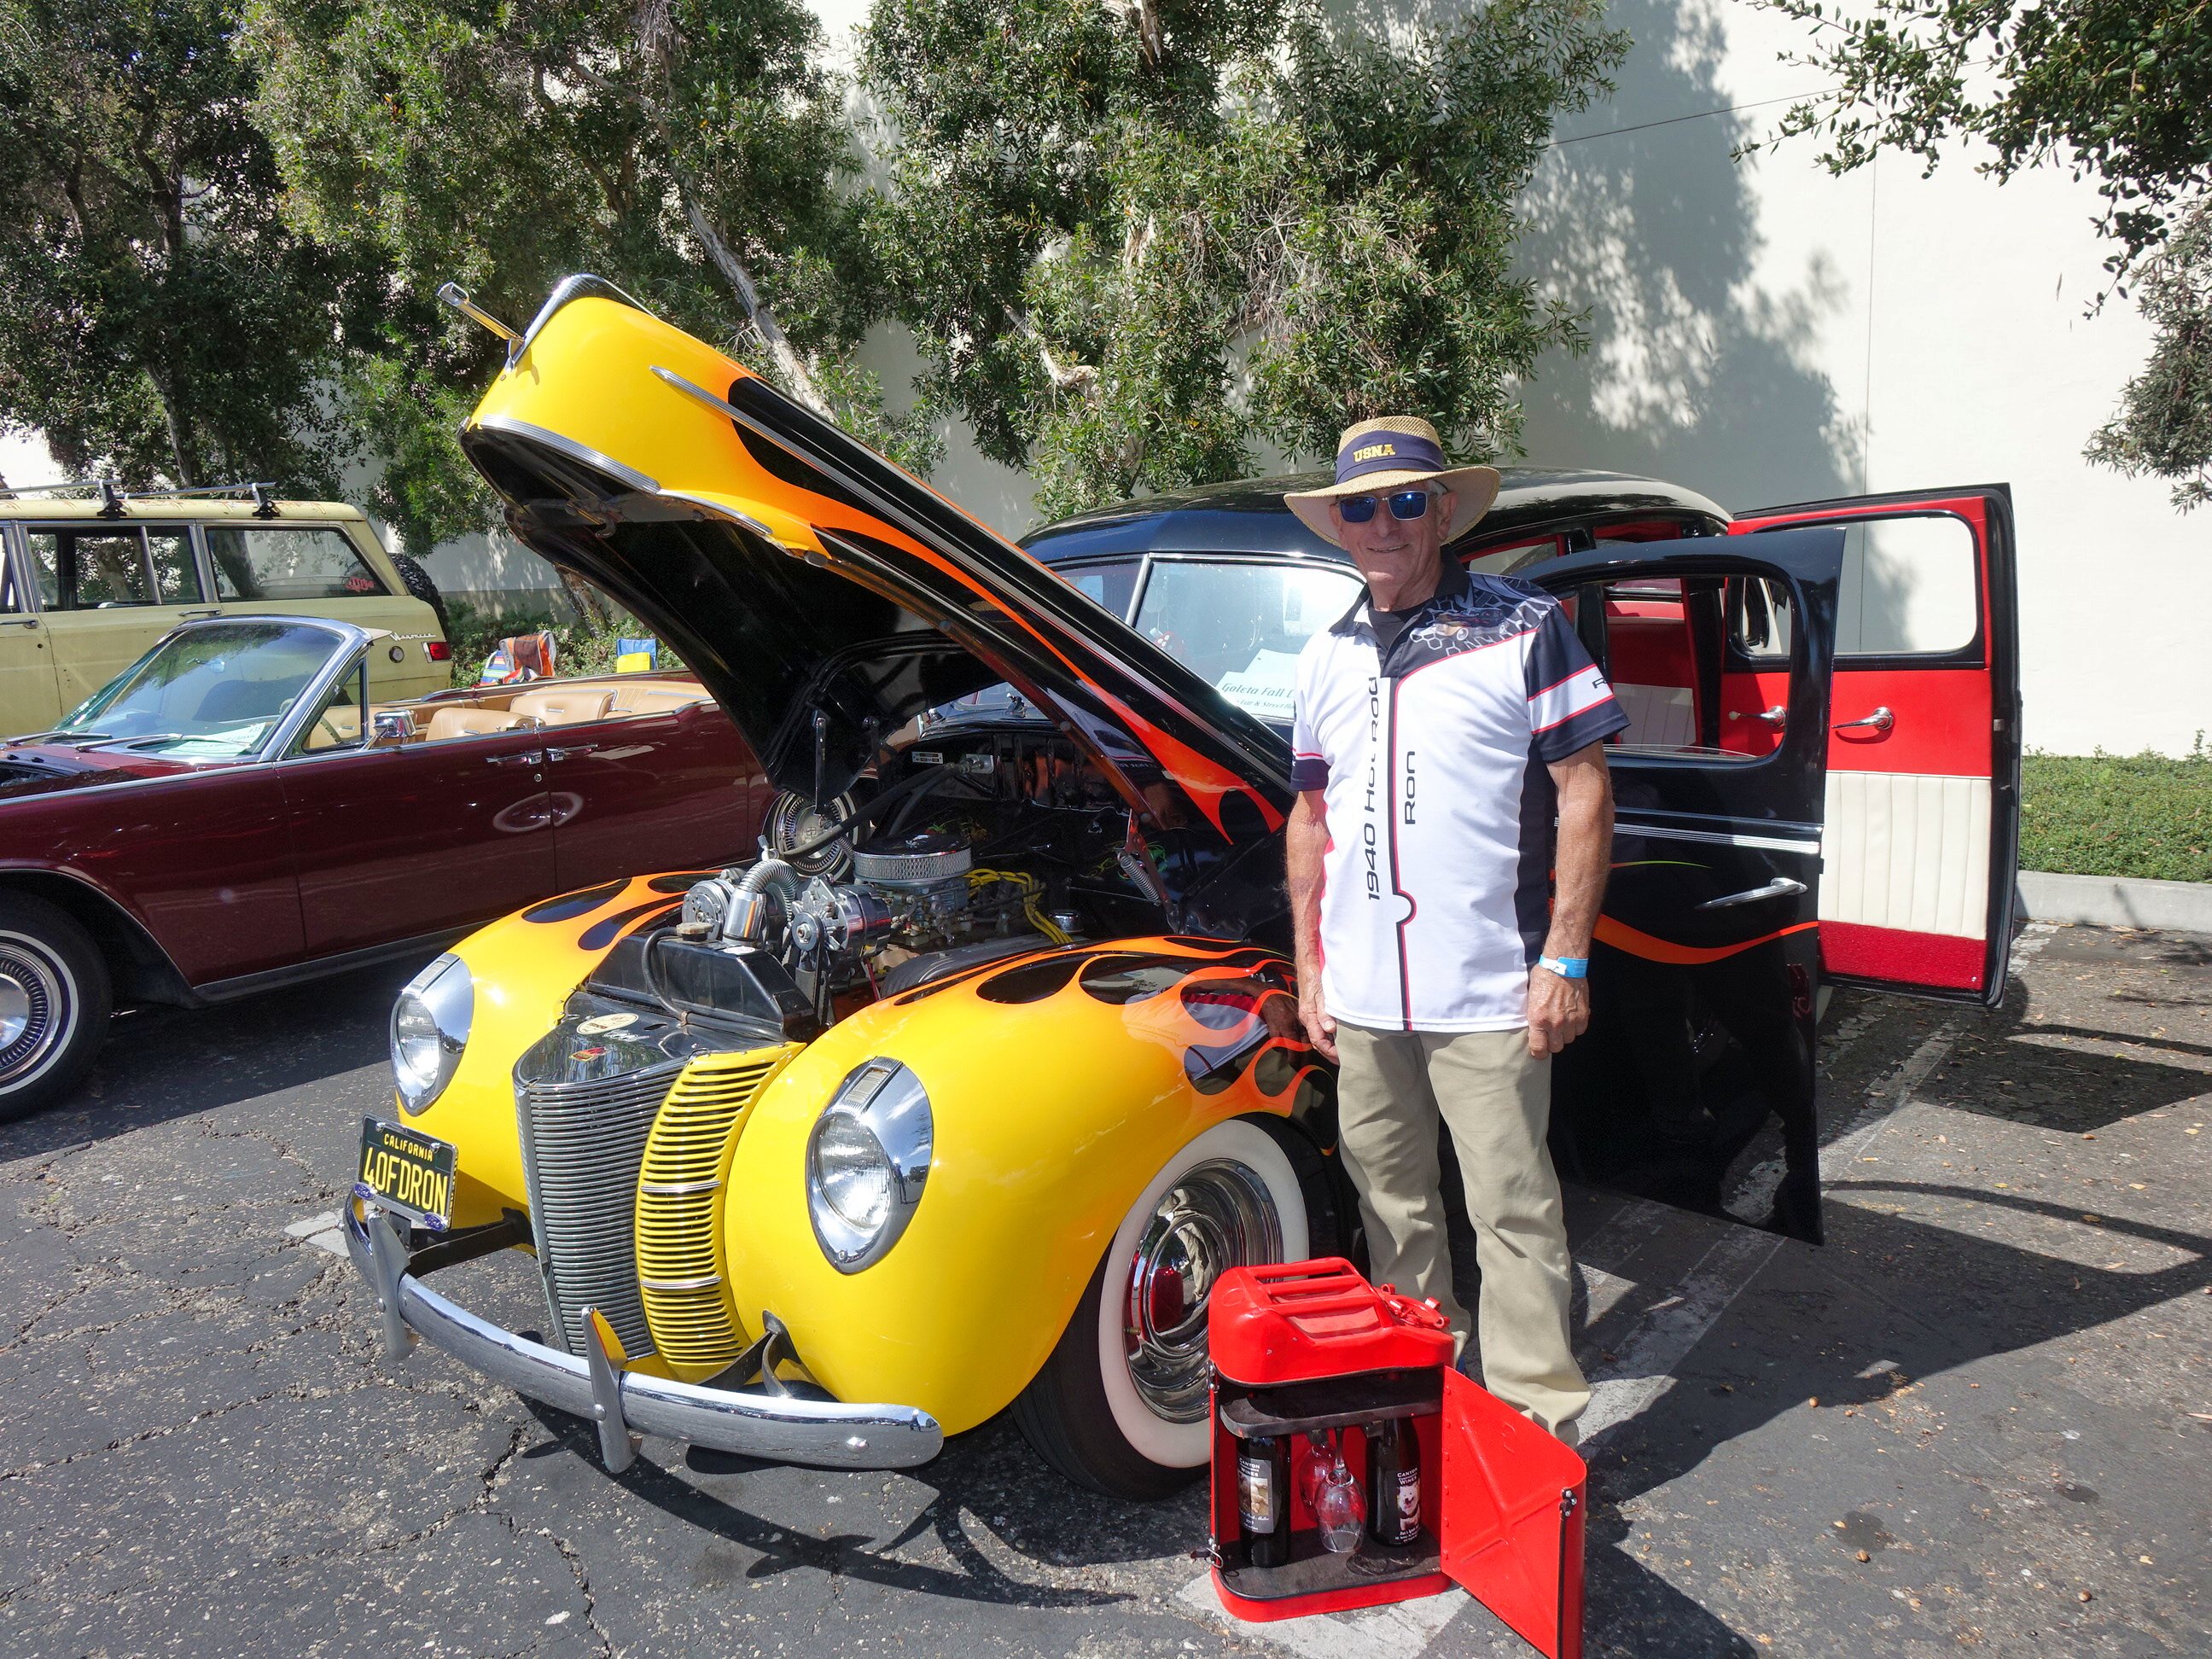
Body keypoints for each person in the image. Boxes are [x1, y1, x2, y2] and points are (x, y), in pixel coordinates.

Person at [1284, 416, 1626, 1445]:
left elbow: (1585, 791)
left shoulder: (1525, 627)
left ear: (1441, 512)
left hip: (1489, 991)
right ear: (1339, 524)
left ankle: (1534, 1428)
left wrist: (1566, 957)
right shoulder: (1325, 655)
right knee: (1390, 1208)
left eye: (1404, 501)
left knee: (1513, 1213)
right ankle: (1420, 1402)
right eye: (1361, 506)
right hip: (1363, 1000)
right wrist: (1310, 967)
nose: (1383, 524)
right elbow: (1310, 817)